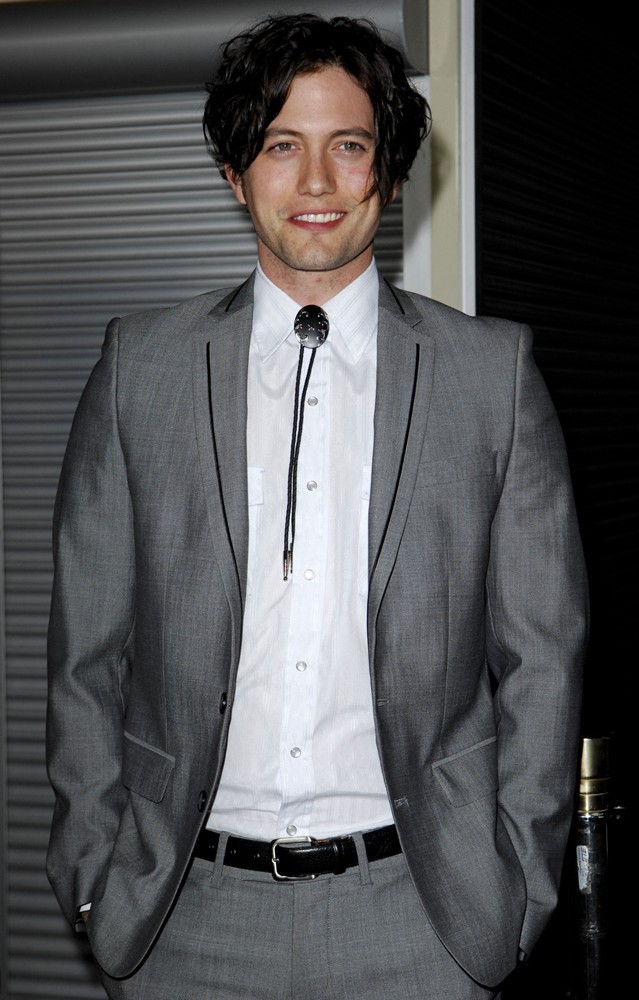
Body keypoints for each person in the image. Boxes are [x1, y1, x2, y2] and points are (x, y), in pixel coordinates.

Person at [45, 13, 588, 1000]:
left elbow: (542, 655)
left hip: (423, 918)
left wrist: (518, 886)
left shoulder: (491, 376)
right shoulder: (139, 368)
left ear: (389, 171)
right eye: (280, 145)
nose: (316, 181)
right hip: (181, 919)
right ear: (235, 172)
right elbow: (86, 654)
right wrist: (93, 871)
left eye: (349, 145)